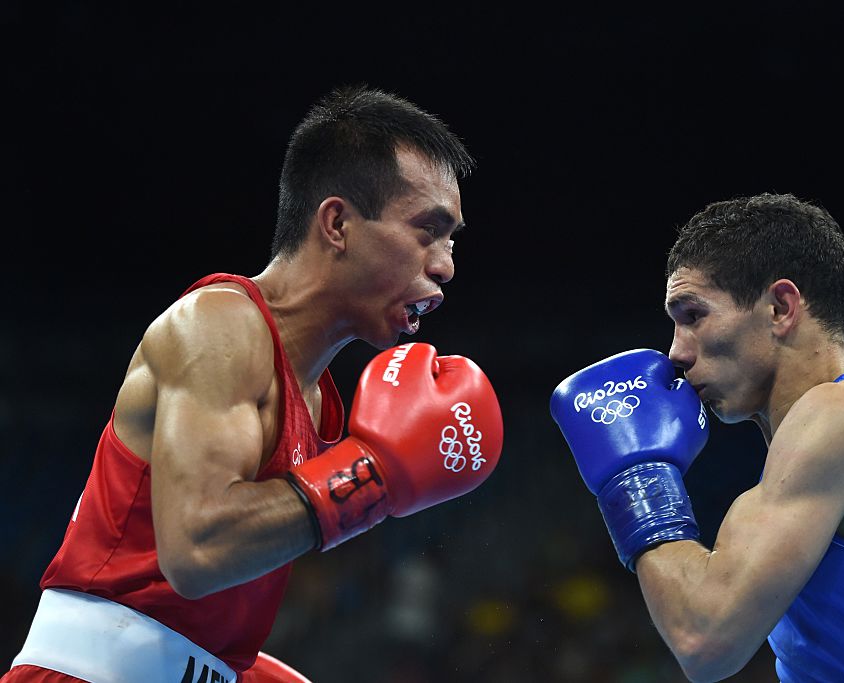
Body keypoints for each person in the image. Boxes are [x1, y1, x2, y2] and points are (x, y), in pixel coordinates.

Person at [5, 86, 504, 682]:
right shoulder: (220, 326)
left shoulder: (320, 404)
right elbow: (198, 550)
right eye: (429, 230)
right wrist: (370, 474)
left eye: (451, 239)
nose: (445, 264)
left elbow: (201, 627)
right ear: (338, 223)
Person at [550, 193, 844, 682]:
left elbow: (703, 639)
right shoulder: (803, 466)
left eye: (693, 315)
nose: (676, 353)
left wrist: (638, 479)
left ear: (780, 308)